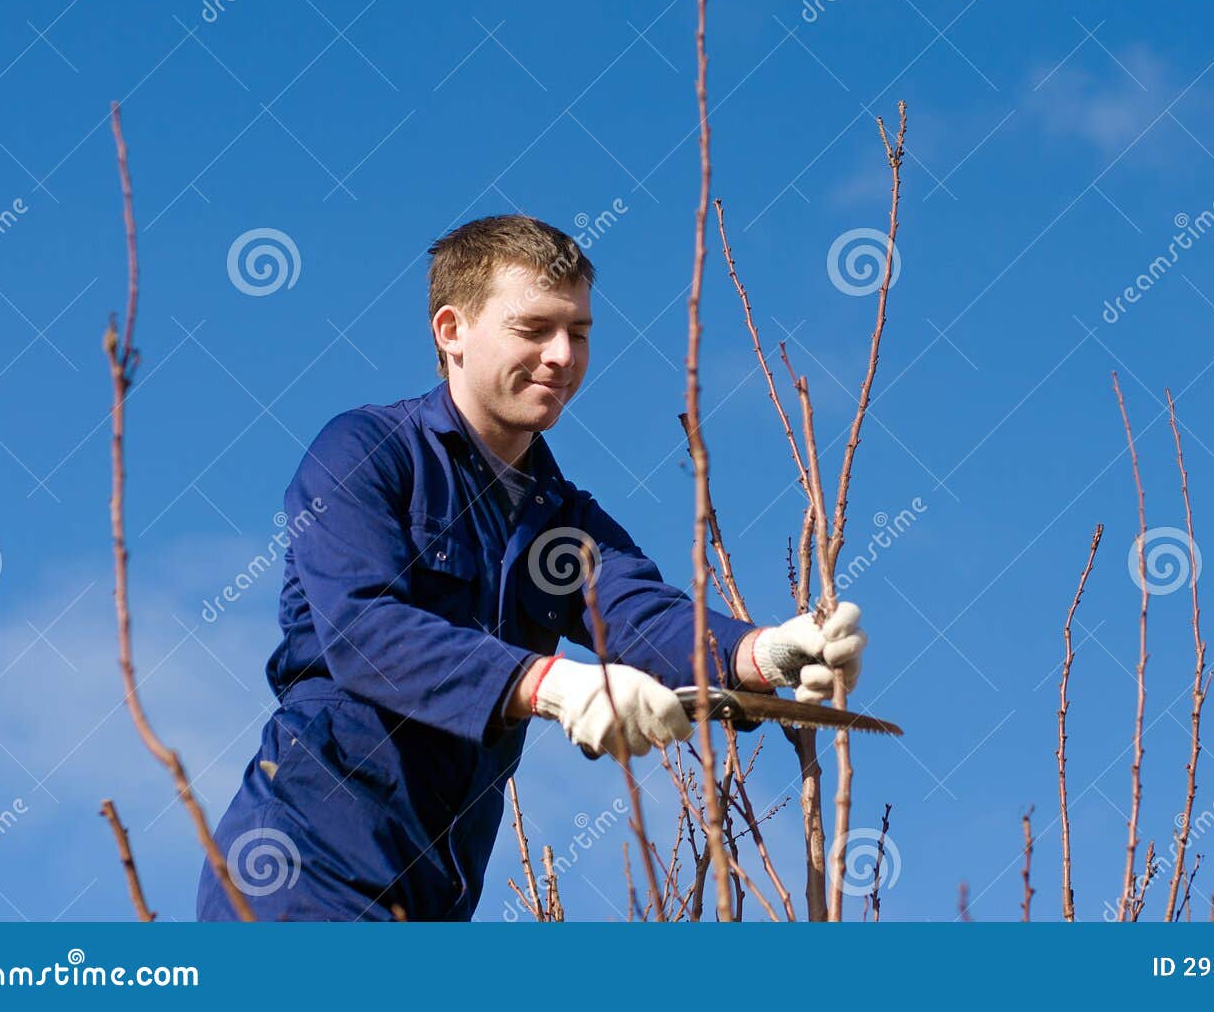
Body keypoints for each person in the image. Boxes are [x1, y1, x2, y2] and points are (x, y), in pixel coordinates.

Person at [196, 214, 868, 920]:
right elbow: (366, 630)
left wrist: (764, 652)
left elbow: (644, 617)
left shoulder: (562, 519)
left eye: (577, 332)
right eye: (534, 328)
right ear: (451, 330)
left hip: (434, 902)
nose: (560, 355)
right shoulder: (366, 453)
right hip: (303, 881)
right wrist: (545, 681)